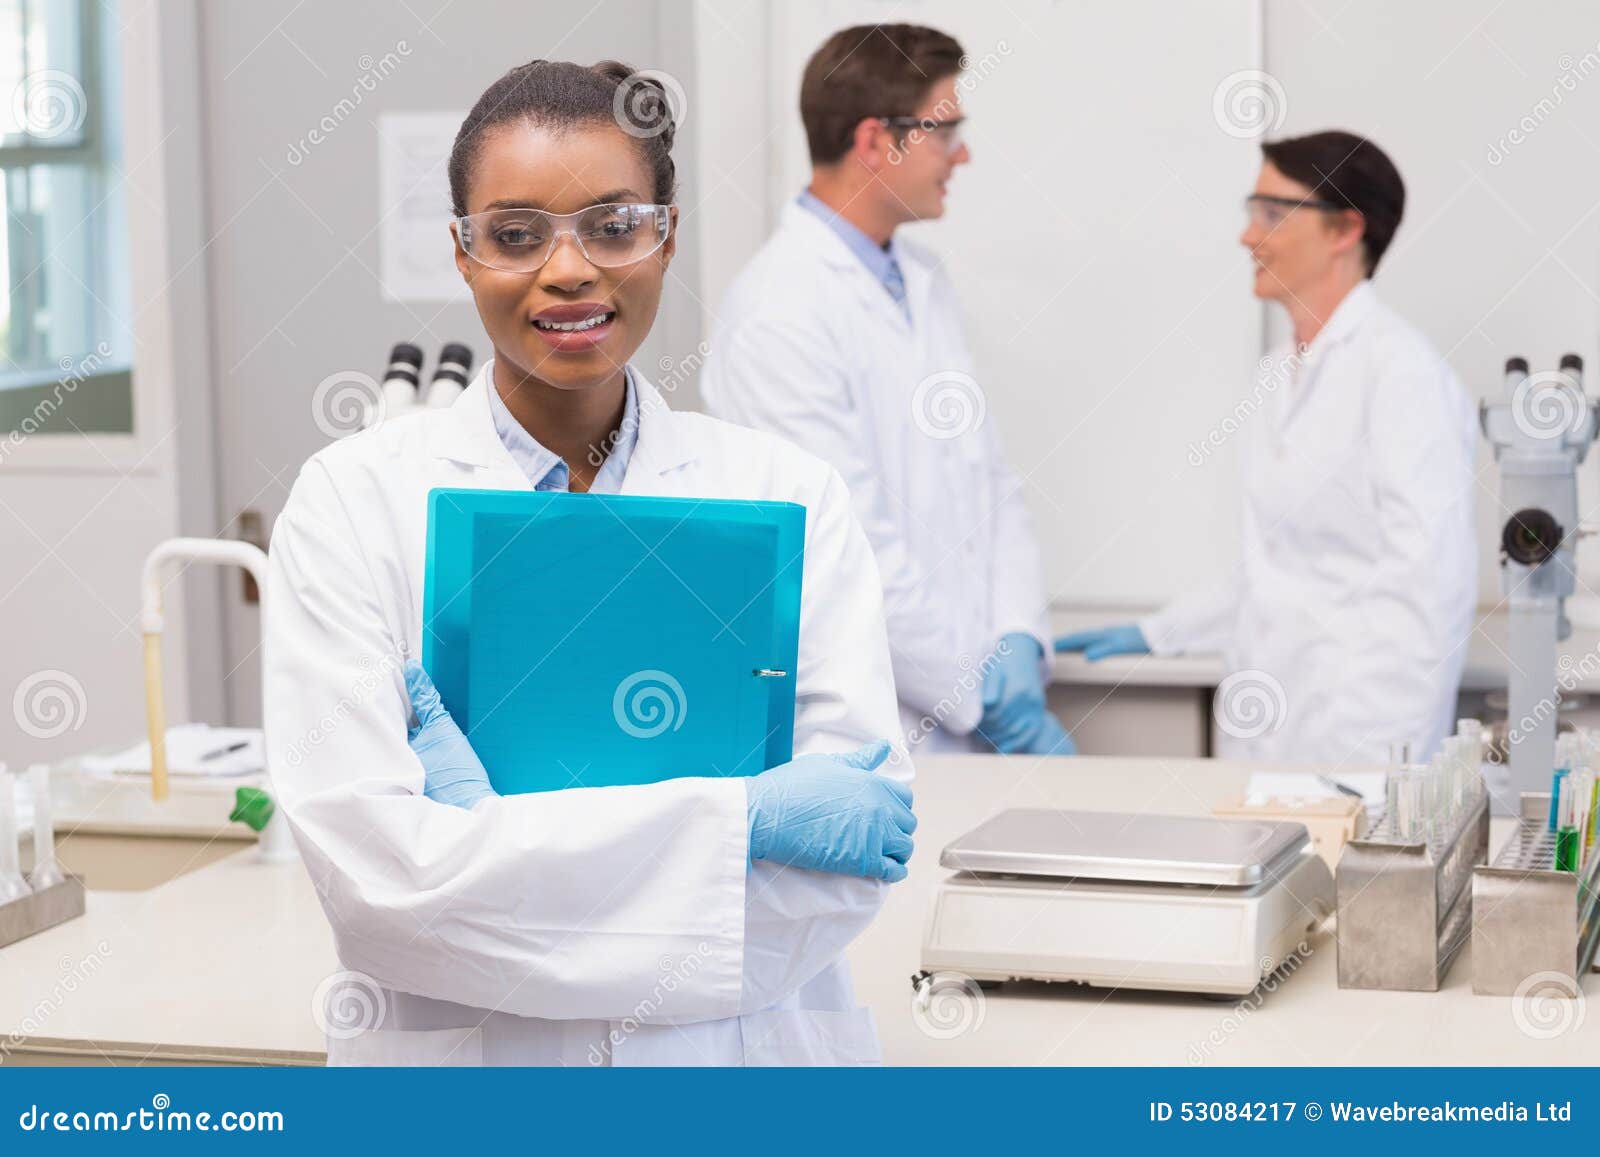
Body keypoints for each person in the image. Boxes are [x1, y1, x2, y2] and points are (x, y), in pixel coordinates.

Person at [264, 59, 914, 1067]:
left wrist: (493, 850)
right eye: (515, 235)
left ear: (665, 234)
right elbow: (380, 889)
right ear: (464, 252)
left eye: (613, 225)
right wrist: (739, 820)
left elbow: (832, 888)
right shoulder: (350, 506)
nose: (567, 269)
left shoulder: (786, 494)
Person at [700, 24, 1072, 757]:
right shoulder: (778, 311)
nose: (961, 153)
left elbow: (989, 479)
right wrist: (980, 691)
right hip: (869, 734)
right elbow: (850, 545)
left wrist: (1019, 636)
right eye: (946, 131)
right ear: (877, 142)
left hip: (964, 716)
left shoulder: (924, 282)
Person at [1057, 131, 1476, 765]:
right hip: (1265, 735)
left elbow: (1428, 590)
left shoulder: (1401, 373)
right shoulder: (1277, 372)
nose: (1248, 236)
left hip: (1359, 745)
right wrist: (1159, 631)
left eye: (1273, 213)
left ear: (1344, 230)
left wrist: (1370, 768)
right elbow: (1271, 564)